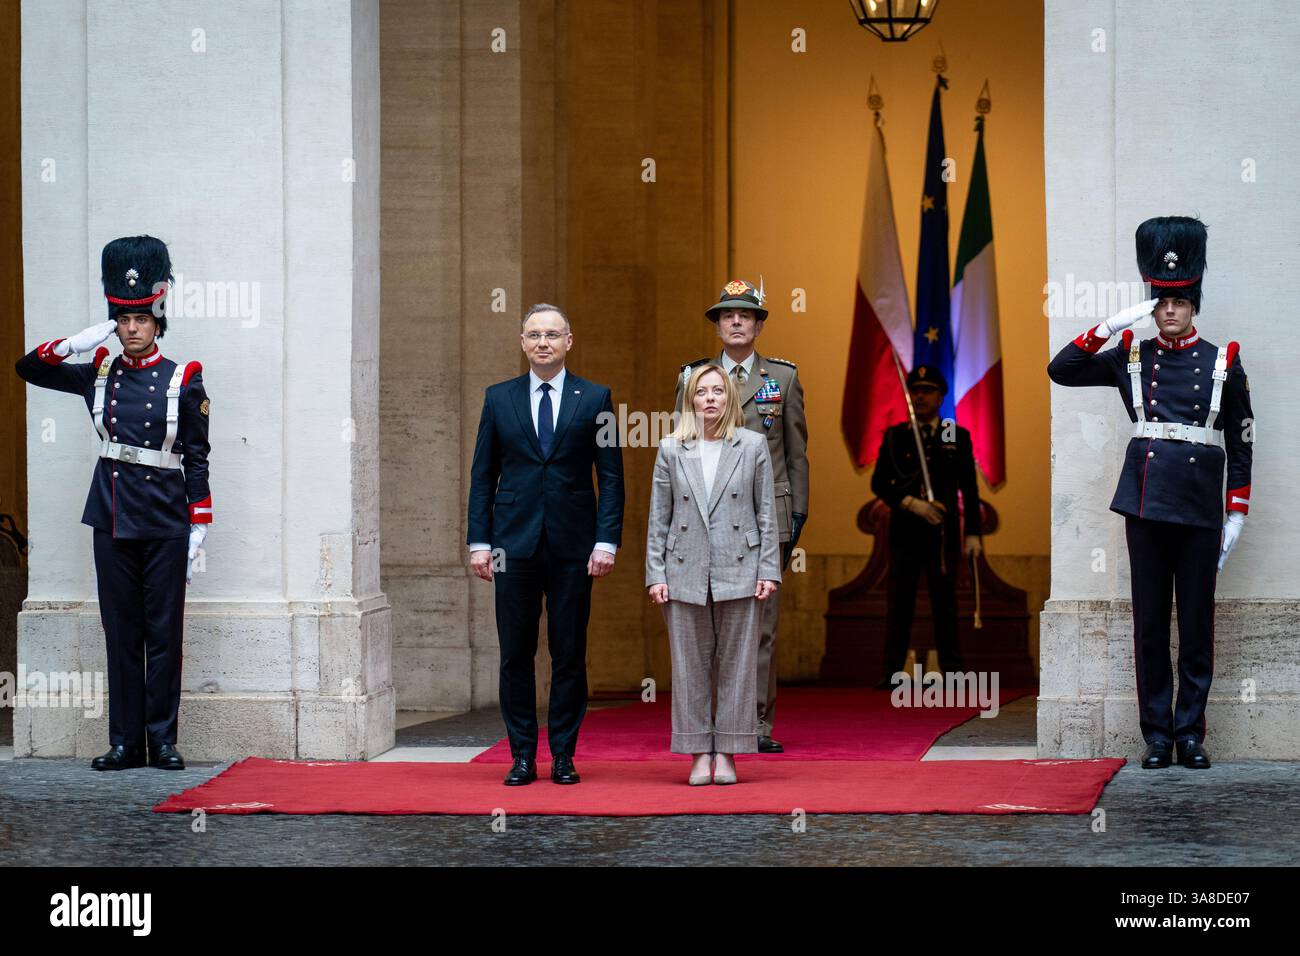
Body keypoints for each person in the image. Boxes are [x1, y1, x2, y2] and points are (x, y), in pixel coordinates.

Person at [1047, 216, 1253, 770]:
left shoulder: (1223, 361)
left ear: (1193, 306)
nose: (1170, 311)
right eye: (1161, 302)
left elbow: (1241, 438)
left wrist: (1236, 511)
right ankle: (1157, 736)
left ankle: (1190, 734)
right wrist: (1111, 324)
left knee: (1197, 624)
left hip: (1200, 506)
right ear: (1150, 306)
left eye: (1179, 301)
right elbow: (1061, 369)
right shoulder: (1130, 356)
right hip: (1145, 501)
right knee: (1150, 624)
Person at [15, 235, 212, 771]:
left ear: (157, 322)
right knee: (121, 632)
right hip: (113, 516)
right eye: (123, 320)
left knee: (163, 634)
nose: (132, 329)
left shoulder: (183, 378)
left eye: (141, 319)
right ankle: (125, 741)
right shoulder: (97, 373)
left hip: (165, 519)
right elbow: (27, 369)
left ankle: (162, 740)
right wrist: (73, 344)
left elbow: (197, 456)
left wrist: (199, 523)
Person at [467, 303, 625, 786]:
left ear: (568, 342)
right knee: (515, 654)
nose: (543, 342)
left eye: (552, 335)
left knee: (569, 653)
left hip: (574, 547)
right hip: (511, 545)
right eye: (534, 334)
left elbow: (611, 477)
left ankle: (562, 755)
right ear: (522, 342)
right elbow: (482, 476)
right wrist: (479, 542)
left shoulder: (595, 397)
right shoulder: (499, 398)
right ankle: (521, 755)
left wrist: (606, 542)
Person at [677, 278, 807, 753]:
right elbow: (682, 448)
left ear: (757, 324)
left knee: (760, 624)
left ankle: (754, 723)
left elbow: (796, 452)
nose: (735, 322)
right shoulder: (694, 378)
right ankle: (711, 721)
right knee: (705, 622)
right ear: (717, 325)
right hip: (706, 516)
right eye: (727, 315)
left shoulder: (783, 378)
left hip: (763, 516)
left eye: (744, 315)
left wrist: (797, 512)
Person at [647, 363, 781, 785]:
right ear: (690, 400)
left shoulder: (752, 445)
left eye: (718, 391)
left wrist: (769, 569)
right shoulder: (671, 448)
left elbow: (766, 513)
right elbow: (659, 517)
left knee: (738, 666)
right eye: (702, 391)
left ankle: (728, 752)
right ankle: (697, 753)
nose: (710, 398)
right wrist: (655, 573)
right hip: (683, 568)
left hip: (740, 566)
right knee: (689, 667)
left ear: (729, 398)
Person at [870, 365, 983, 687]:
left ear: (940, 396)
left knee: (945, 604)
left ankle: (953, 671)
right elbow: (880, 483)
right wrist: (911, 503)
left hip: (942, 536)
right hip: (905, 533)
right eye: (916, 391)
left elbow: (969, 489)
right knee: (900, 603)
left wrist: (973, 533)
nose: (920, 397)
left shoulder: (955, 435)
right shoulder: (897, 436)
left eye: (928, 391)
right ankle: (891, 673)